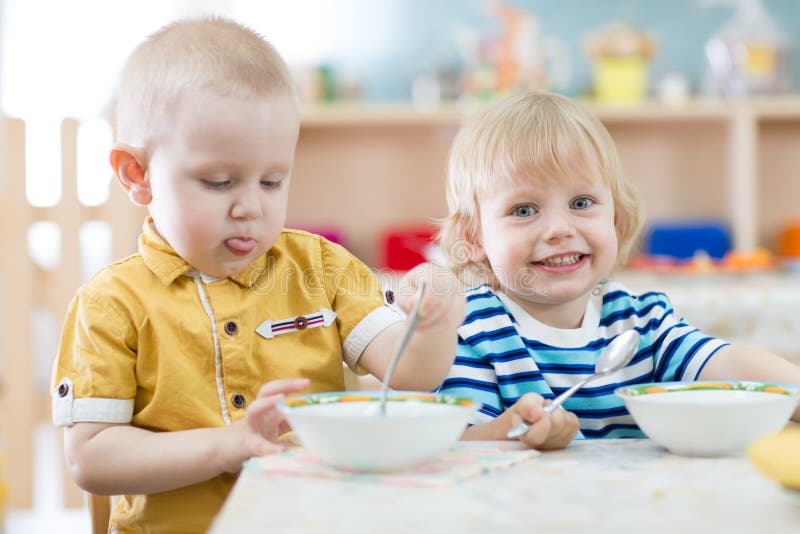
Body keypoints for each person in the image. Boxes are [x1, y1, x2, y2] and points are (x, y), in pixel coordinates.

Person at [51, 17, 463, 533]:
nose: (250, 207)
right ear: (138, 175)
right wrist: (230, 444)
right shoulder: (110, 303)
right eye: (219, 181)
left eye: (272, 181)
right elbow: (91, 459)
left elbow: (412, 375)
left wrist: (432, 325)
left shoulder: (323, 267)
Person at [435, 91, 800, 448]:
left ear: (616, 216)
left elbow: (729, 364)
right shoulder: (470, 329)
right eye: (524, 210)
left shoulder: (640, 323)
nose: (559, 229)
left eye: (581, 202)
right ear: (475, 236)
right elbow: (456, 443)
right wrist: (510, 431)